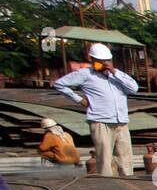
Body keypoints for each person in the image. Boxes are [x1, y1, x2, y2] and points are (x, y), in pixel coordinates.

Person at [52, 42, 138, 176]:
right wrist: (79, 99)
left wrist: (114, 72)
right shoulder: (85, 74)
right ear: (93, 60)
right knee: (105, 158)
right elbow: (59, 84)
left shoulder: (117, 75)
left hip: (121, 121)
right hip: (101, 121)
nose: (105, 64)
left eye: (107, 61)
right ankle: (107, 185)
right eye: (101, 61)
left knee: (125, 157)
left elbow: (134, 88)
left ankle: (128, 181)